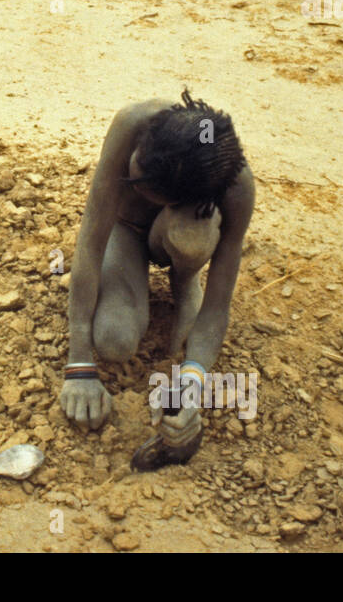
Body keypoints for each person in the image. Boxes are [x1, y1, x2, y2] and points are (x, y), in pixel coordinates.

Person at [59, 90, 255, 468]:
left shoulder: (236, 188)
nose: (131, 168)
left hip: (176, 232)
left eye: (140, 181)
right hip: (126, 231)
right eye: (136, 165)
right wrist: (79, 365)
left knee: (192, 236)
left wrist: (192, 383)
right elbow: (91, 239)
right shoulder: (133, 123)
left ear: (175, 198)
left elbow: (217, 307)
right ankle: (148, 276)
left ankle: (184, 280)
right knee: (113, 341)